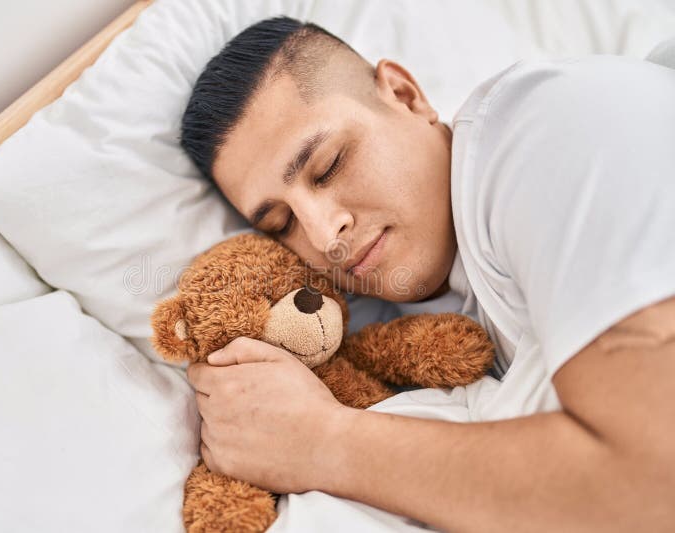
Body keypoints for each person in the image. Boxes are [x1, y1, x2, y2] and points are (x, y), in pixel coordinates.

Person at [179, 16, 675, 531]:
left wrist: (322, 442)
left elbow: (653, 478)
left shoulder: (544, 125)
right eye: (282, 224)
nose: (326, 235)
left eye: (327, 165)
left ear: (404, 94)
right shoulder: (400, 322)